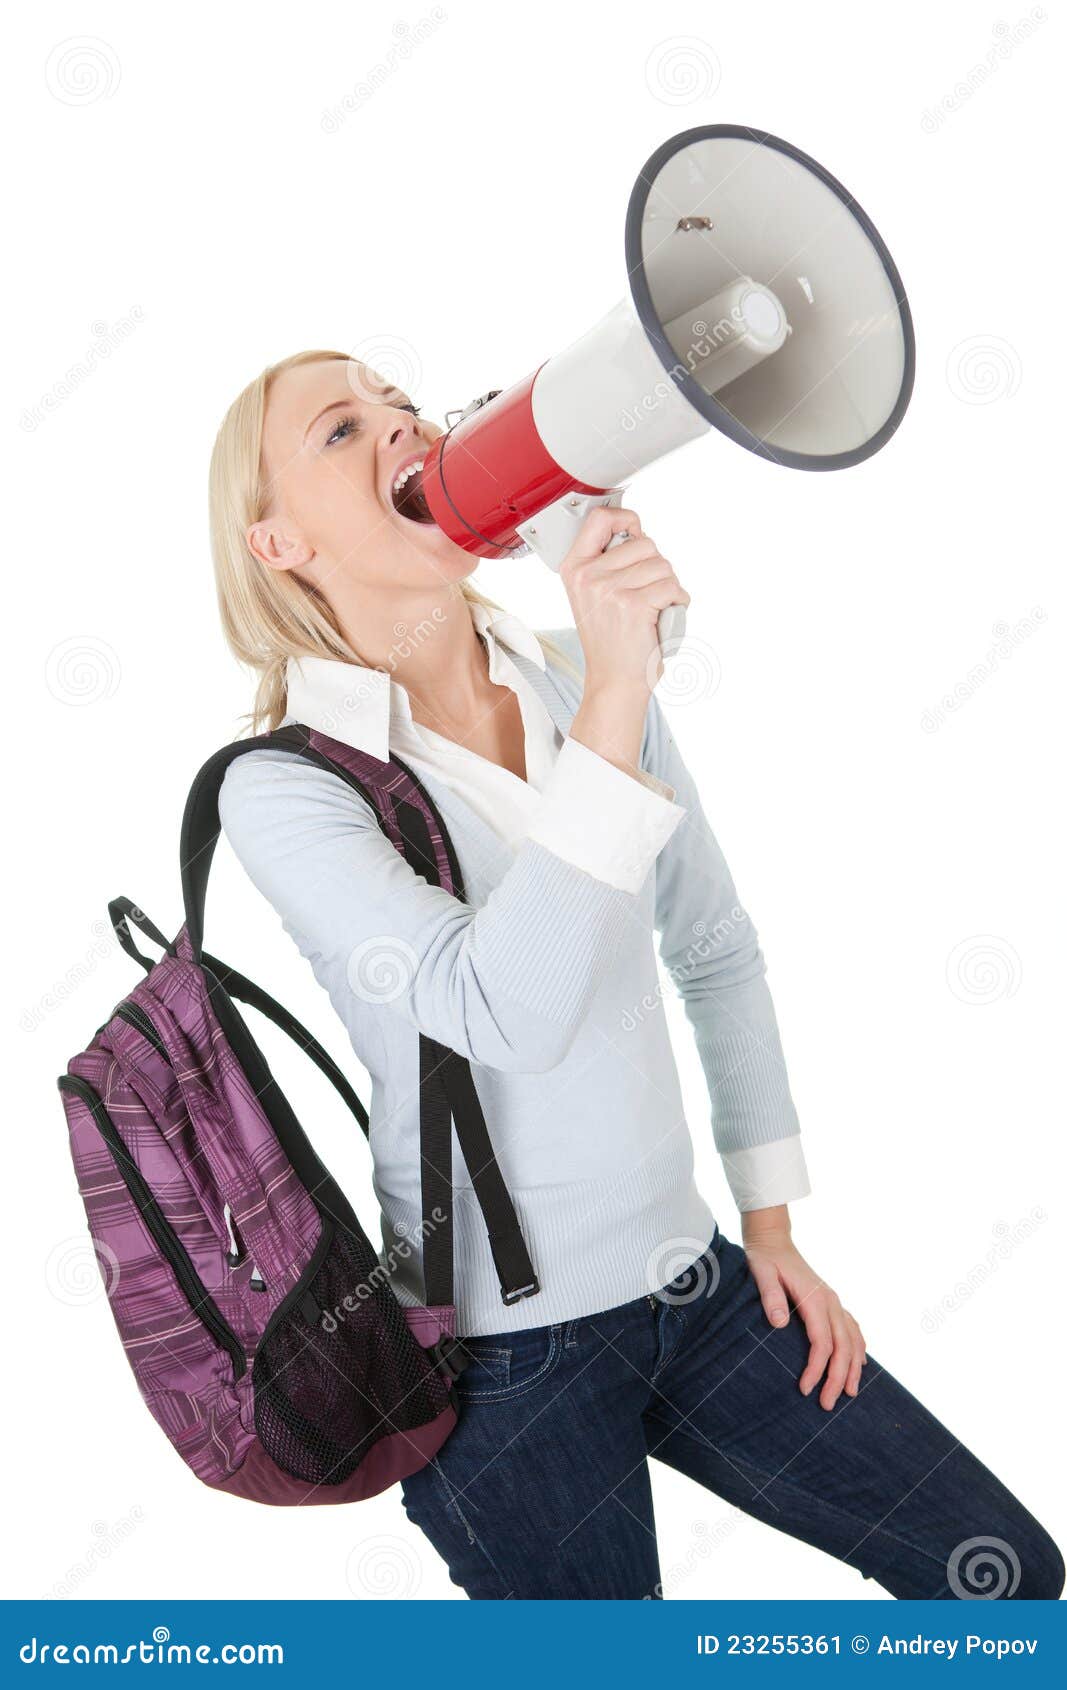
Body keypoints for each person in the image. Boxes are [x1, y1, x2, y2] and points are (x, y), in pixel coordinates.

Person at [210, 349, 1063, 1601]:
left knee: (1003, 1584)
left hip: (696, 1284)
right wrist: (617, 689)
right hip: (500, 1366)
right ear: (278, 545)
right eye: (340, 429)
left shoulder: (573, 678)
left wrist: (768, 1224)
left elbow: (711, 945)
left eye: (400, 402)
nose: (399, 425)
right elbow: (500, 1010)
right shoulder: (285, 786)